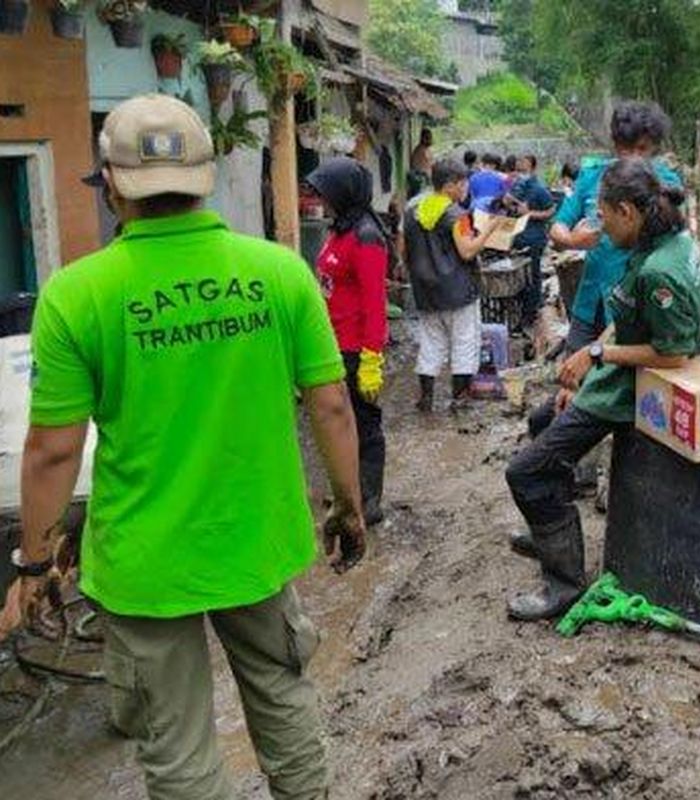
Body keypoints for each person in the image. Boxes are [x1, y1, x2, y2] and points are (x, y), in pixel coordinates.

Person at [16, 94, 365, 799]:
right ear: (205, 175)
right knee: (282, 695)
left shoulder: (76, 294)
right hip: (257, 539)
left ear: (111, 184)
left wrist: (33, 562)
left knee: (175, 746)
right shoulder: (279, 272)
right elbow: (330, 404)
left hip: (144, 563)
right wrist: (347, 507)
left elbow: (54, 452)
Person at [505, 158, 700, 620]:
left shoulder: (661, 270)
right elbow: (629, 316)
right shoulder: (669, 242)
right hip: (620, 369)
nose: (598, 226)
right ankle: (550, 529)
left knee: (525, 472)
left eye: (603, 216)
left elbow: (673, 352)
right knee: (543, 420)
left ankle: (564, 584)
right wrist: (588, 360)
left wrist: (599, 359)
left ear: (628, 212)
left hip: (637, 386)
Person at [550, 101, 683, 355]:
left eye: (642, 149)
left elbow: (675, 244)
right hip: (592, 298)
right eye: (625, 149)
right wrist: (572, 240)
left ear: (654, 147)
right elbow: (557, 227)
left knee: (624, 378)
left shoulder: (666, 183)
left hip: (639, 304)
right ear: (615, 143)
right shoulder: (592, 177)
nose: (632, 157)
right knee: (574, 367)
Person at [305, 157, 391, 526]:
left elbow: (375, 303)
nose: (320, 199)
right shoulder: (340, 229)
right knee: (340, 422)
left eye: (325, 191)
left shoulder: (367, 237)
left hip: (357, 348)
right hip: (334, 344)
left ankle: (368, 501)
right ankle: (348, 490)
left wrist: (372, 359)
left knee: (365, 426)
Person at [400, 158, 503, 412]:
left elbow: (403, 250)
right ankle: (459, 399)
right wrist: (489, 230)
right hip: (458, 291)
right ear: (450, 186)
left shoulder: (413, 211)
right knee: (465, 342)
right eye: (463, 183)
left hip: (426, 291)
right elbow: (467, 251)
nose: (466, 188)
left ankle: (426, 398)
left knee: (431, 343)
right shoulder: (457, 214)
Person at [508, 153, 557, 330]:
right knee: (520, 279)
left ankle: (532, 312)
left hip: (534, 238)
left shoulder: (540, 189)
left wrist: (530, 214)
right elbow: (513, 207)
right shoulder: (517, 186)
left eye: (525, 169)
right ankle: (522, 311)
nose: (521, 172)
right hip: (518, 238)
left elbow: (552, 210)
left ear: (533, 168)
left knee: (532, 276)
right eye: (519, 168)